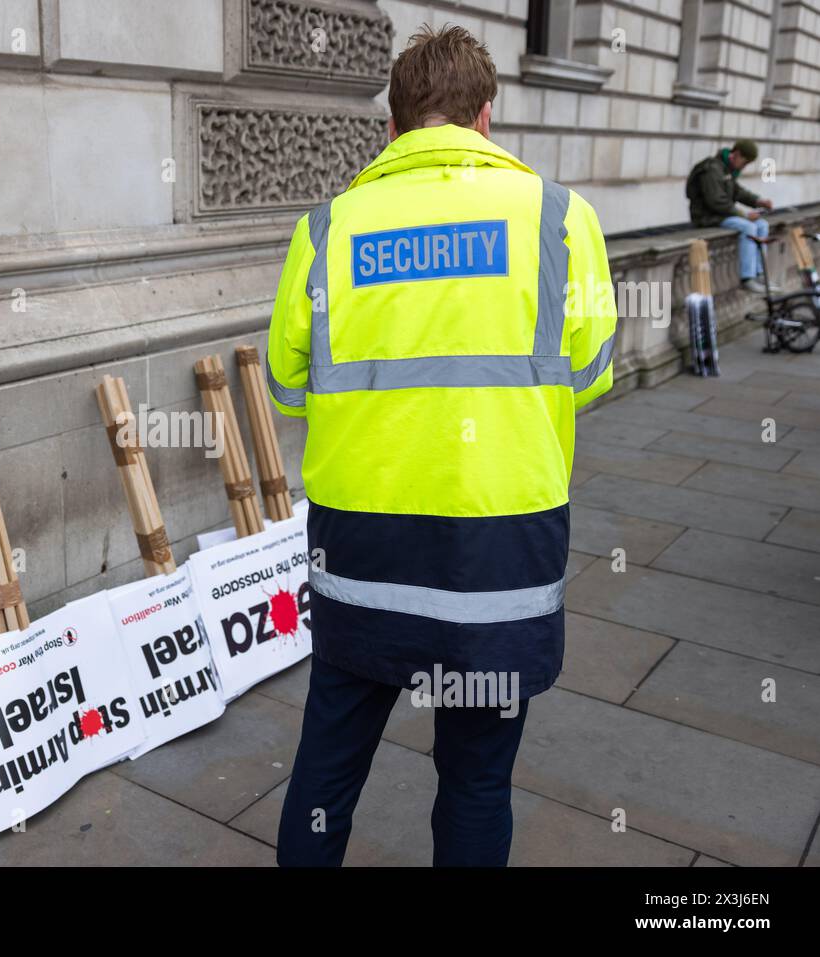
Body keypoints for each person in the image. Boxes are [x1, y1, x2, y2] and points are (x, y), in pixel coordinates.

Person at [266, 23, 617, 867]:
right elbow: (593, 370)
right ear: (485, 118)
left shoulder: (326, 228)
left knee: (328, 763)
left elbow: (286, 383)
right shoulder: (561, 217)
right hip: (499, 547)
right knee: (475, 780)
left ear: (390, 129)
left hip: (362, 543)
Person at [686, 140, 775, 293]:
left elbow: (737, 192)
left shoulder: (725, 169)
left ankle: (760, 274)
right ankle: (747, 278)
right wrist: (744, 215)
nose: (744, 167)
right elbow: (716, 201)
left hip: (721, 216)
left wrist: (758, 201)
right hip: (707, 217)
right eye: (745, 163)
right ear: (737, 155)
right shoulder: (712, 169)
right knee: (748, 226)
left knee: (762, 225)